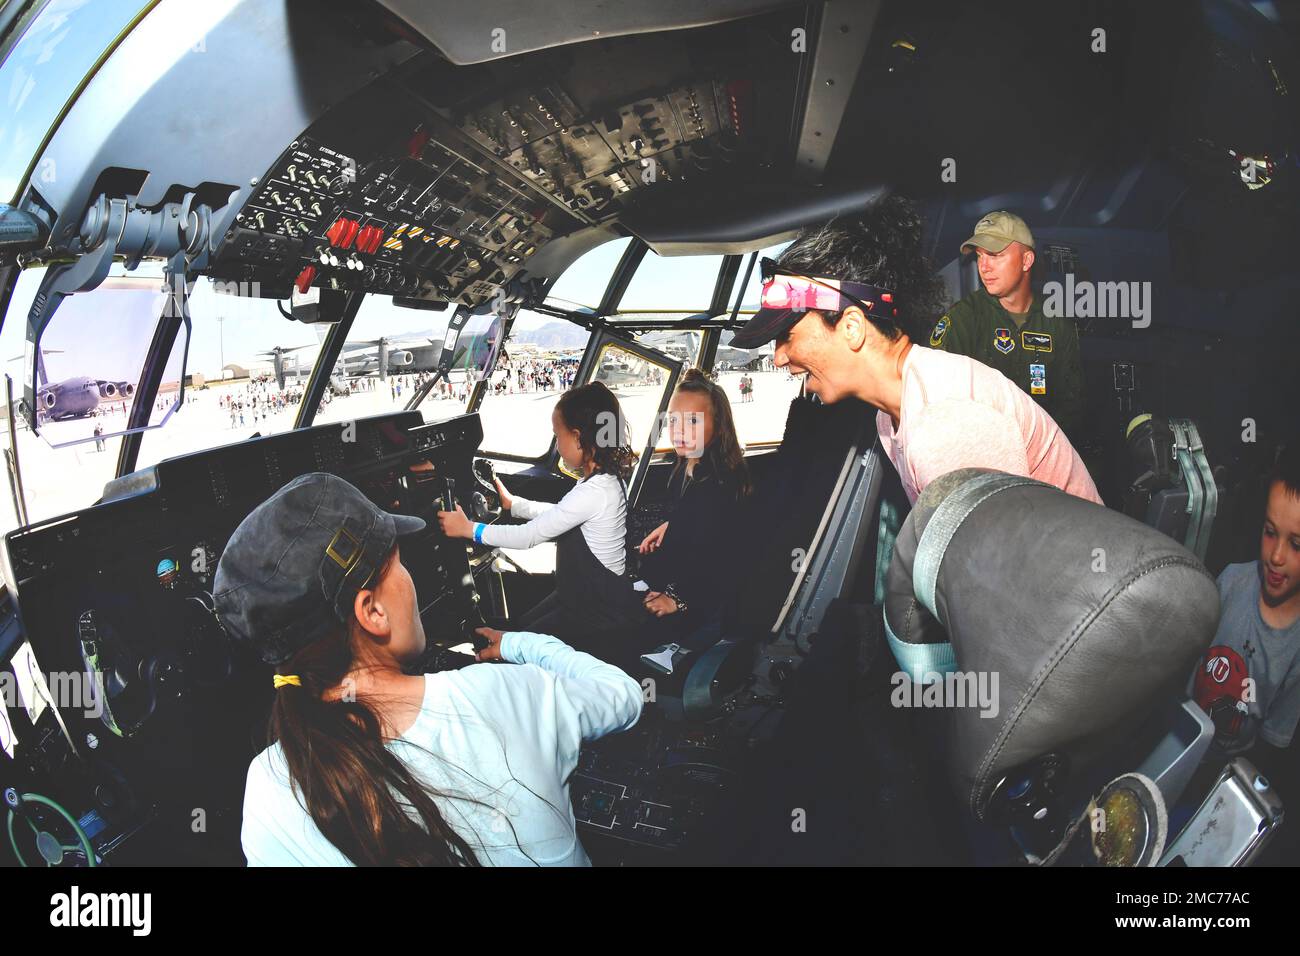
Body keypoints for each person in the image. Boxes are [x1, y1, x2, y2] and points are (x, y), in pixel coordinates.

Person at [215, 472, 641, 867]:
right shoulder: (504, 695)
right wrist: (520, 643)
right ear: (373, 612)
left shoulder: (266, 789)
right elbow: (623, 694)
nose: (411, 579)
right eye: (399, 565)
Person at [728, 198, 1101, 507]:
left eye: (788, 336)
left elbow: (1003, 581)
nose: (778, 357)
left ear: (852, 327)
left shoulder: (943, 426)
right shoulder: (893, 411)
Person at [437, 382, 643, 637]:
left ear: (578, 438)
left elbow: (529, 536)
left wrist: (469, 529)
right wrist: (515, 505)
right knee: (520, 628)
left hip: (596, 614)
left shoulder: (594, 492)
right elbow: (561, 515)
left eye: (558, 435)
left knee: (515, 645)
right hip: (590, 596)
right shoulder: (606, 480)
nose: (557, 444)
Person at [1189, 443, 1300, 770]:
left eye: (1296, 544)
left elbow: (1273, 741)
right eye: (1270, 533)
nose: (1276, 556)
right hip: (1182, 734)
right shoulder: (1231, 580)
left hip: (1225, 770)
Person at [929, 211, 1084, 436]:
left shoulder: (1057, 323)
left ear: (1026, 260)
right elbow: (936, 396)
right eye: (979, 256)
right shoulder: (965, 318)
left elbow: (1073, 406)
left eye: (994, 254)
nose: (984, 266)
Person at [634, 369, 751, 648]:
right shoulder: (688, 467)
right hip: (686, 576)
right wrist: (670, 525)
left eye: (693, 421)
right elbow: (692, 519)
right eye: (673, 420)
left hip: (710, 602)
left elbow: (718, 556)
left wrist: (678, 599)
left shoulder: (718, 482)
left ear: (719, 425)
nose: (679, 430)